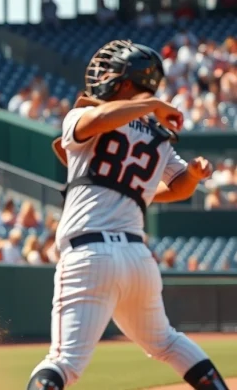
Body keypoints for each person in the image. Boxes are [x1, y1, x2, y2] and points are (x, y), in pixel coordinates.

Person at [27, 40, 227, 390]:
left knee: (63, 362)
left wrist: (148, 108)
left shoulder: (84, 113)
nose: (101, 75)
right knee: (166, 343)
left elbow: (99, 120)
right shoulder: (158, 134)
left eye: (110, 71)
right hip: (137, 258)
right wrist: (193, 176)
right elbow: (179, 189)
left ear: (122, 81)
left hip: (89, 253)